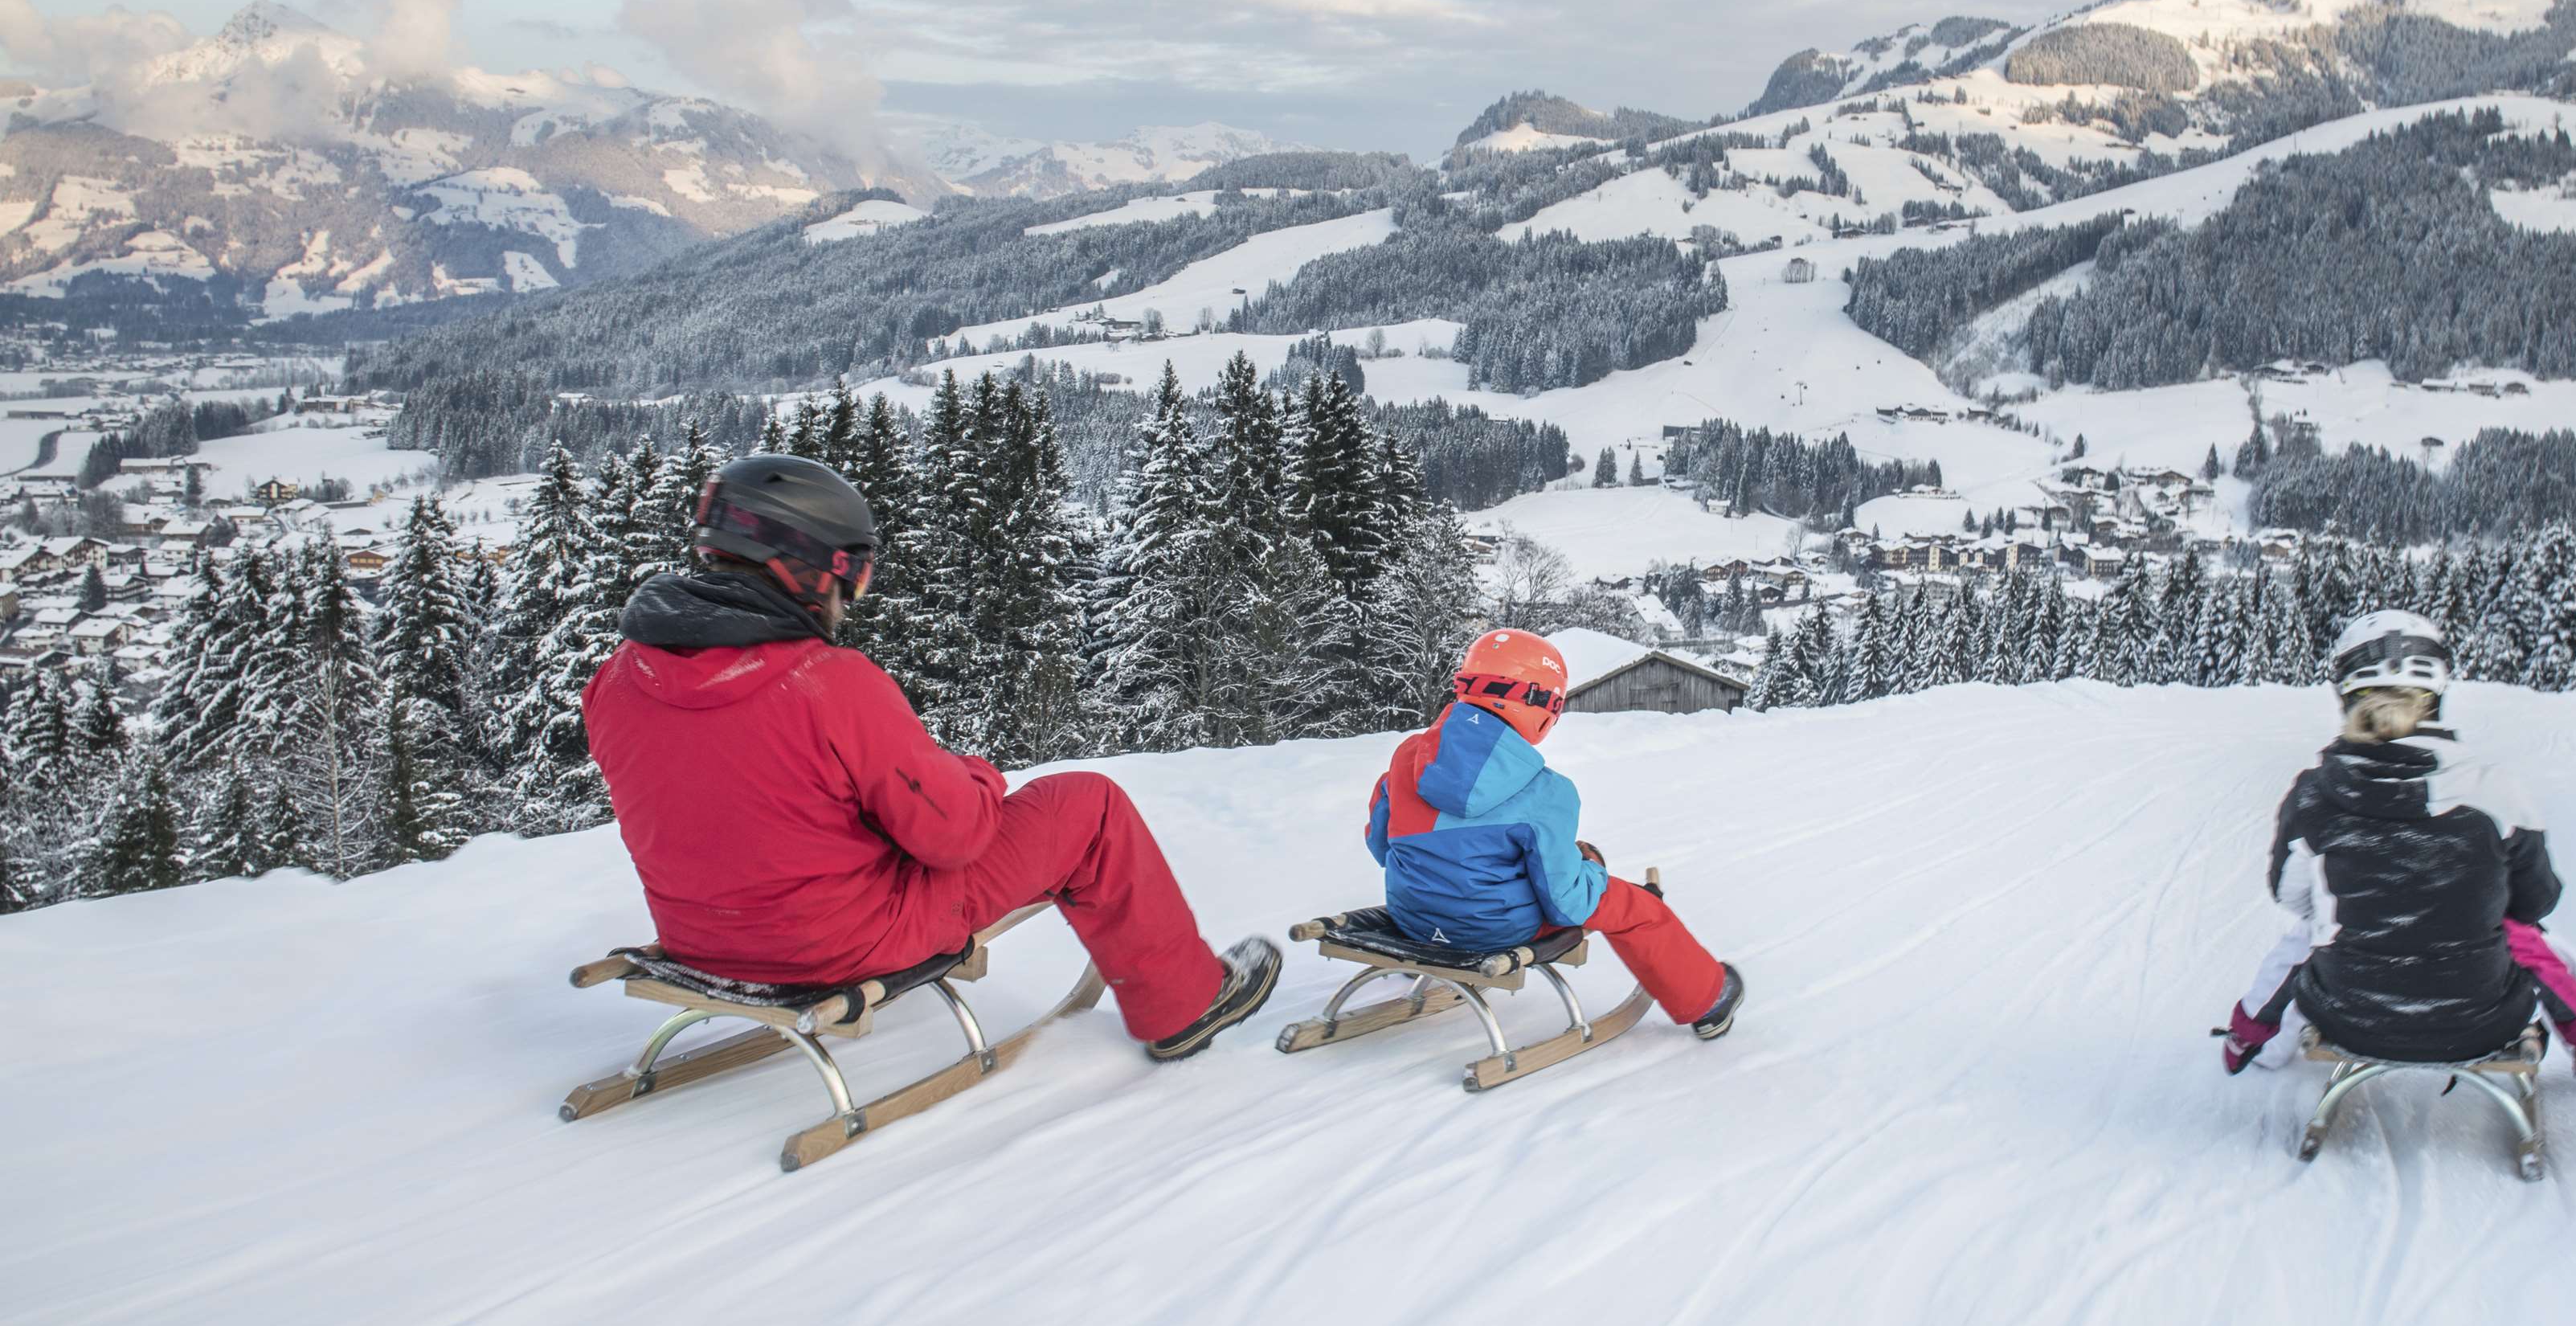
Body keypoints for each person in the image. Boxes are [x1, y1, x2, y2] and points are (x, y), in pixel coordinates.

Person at [583, 453, 1278, 1060]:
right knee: (1088, 808)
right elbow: (955, 836)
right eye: (850, 577)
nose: (847, 601)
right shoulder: (825, 682)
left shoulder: (616, 680)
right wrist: (977, 775)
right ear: (804, 568)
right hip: (841, 943)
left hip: (698, 941)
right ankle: (1184, 1006)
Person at [2218, 610, 2576, 1096]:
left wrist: (2366, 905)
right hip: (2483, 1022)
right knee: (2525, 937)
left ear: (2346, 695)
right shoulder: (2495, 792)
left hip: (2348, 1019)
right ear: (2436, 694)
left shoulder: (2314, 796)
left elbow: (2291, 896)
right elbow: (2536, 901)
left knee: (2318, 928)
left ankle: (2254, 1040)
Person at [1364, 628, 1744, 1037]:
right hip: (1493, 934)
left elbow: (1380, 845)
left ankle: (1431, 947)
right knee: (1635, 907)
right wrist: (1593, 869)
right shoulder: (1548, 792)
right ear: (1541, 706)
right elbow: (1567, 905)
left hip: (1412, 919)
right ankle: (1708, 998)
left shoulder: (1407, 758)